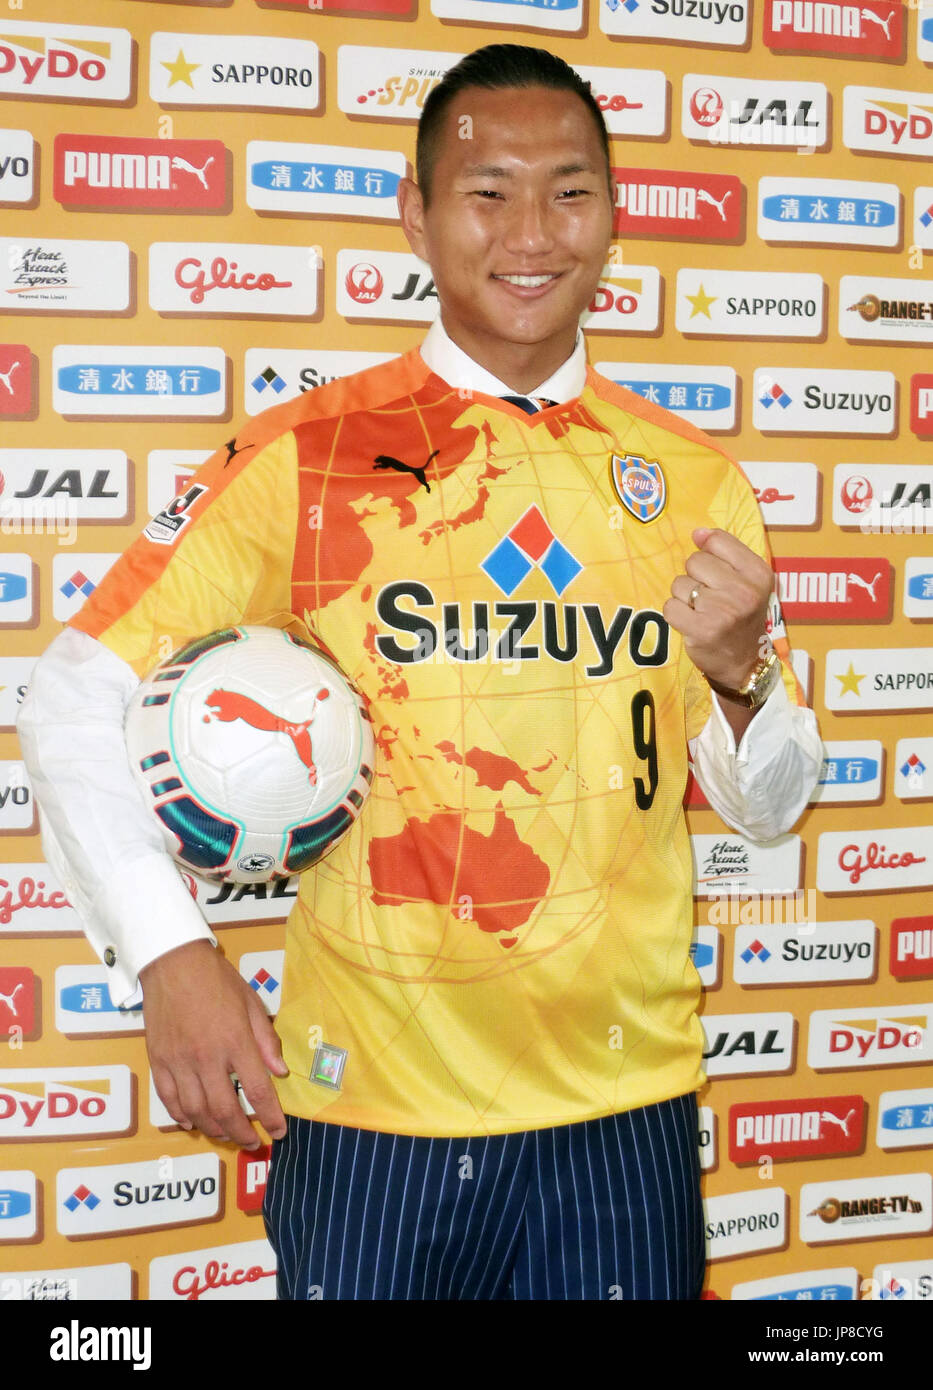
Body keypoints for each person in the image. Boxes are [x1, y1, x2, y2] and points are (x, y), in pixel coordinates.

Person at [18, 44, 822, 1300]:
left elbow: (768, 803)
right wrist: (170, 954)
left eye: (570, 190)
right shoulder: (309, 454)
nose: (531, 232)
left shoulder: (694, 480)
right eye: (487, 190)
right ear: (416, 214)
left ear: (613, 217)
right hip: (369, 1110)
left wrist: (742, 678)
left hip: (627, 1108)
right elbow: (73, 692)